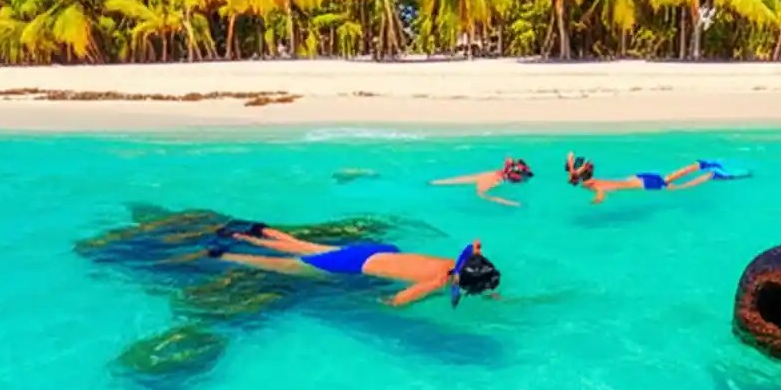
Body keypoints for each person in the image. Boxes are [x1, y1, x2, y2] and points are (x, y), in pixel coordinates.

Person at [205, 223, 500, 308]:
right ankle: (226, 254)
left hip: (381, 251)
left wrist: (489, 287)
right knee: (288, 264)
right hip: (357, 262)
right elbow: (397, 301)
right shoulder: (438, 281)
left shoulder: (454, 262)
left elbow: (475, 246)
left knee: (306, 247)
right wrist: (383, 301)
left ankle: (260, 231)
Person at [564, 153, 738, 204]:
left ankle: (711, 175)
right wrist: (573, 168)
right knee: (670, 177)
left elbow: (600, 194)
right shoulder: (591, 181)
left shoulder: (592, 184)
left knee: (681, 187)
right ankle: (701, 164)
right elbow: (570, 157)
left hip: (643, 184)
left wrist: (596, 202)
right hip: (640, 177)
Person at [430, 157, 534, 207]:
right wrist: (505, 202)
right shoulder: (493, 180)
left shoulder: (495, 175)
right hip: (435, 188)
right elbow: (481, 194)